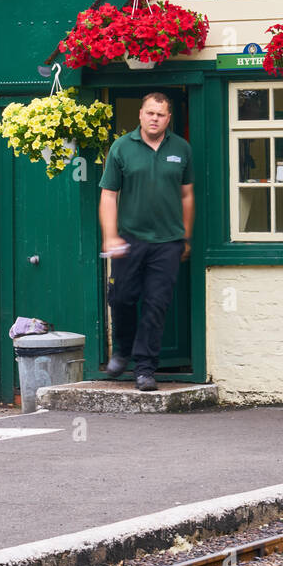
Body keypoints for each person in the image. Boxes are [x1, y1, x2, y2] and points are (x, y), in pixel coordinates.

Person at [98, 93, 194, 391]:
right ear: (140, 114)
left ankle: (144, 369)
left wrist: (186, 236)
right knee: (122, 298)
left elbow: (187, 195)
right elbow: (109, 196)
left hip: (168, 242)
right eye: (150, 113)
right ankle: (122, 350)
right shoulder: (122, 148)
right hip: (129, 240)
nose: (155, 118)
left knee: (156, 305)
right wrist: (110, 236)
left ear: (168, 118)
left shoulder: (181, 148)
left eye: (161, 114)